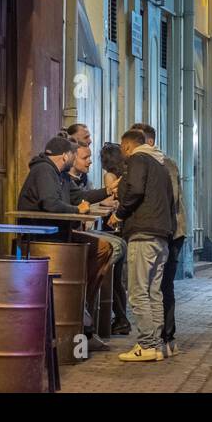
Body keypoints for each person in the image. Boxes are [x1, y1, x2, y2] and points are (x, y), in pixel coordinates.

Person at [17, 136, 113, 352]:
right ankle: (80, 307)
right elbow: (50, 203)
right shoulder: (44, 171)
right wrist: (76, 211)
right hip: (43, 239)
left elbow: (79, 195)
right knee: (101, 248)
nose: (81, 158)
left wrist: (107, 191)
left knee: (104, 248)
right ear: (66, 156)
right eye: (76, 154)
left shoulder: (60, 175)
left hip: (60, 236)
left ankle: (82, 303)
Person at [112, 128, 175, 361]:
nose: (122, 154)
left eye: (122, 149)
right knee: (153, 293)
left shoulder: (139, 159)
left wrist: (119, 214)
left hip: (143, 233)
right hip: (161, 235)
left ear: (127, 146)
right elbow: (170, 202)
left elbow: (135, 190)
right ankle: (156, 345)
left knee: (138, 293)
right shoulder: (161, 165)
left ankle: (146, 345)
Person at [131, 121, 187, 357]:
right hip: (163, 229)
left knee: (161, 287)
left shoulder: (164, 164)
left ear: (150, 142)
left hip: (170, 231)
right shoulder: (149, 162)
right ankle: (159, 342)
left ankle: (165, 339)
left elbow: (169, 199)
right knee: (156, 288)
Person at [66, 141, 126, 337]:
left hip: (87, 229)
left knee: (115, 249)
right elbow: (62, 203)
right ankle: (89, 310)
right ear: (69, 157)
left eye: (91, 157)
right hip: (65, 237)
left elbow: (82, 199)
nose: (90, 162)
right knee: (112, 248)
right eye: (85, 158)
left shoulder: (76, 180)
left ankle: (92, 309)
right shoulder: (60, 178)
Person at [99, 143, 132, 336]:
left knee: (112, 277)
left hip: (112, 226)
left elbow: (112, 200)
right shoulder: (126, 174)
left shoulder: (110, 176)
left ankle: (121, 318)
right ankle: (122, 318)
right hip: (123, 227)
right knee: (118, 278)